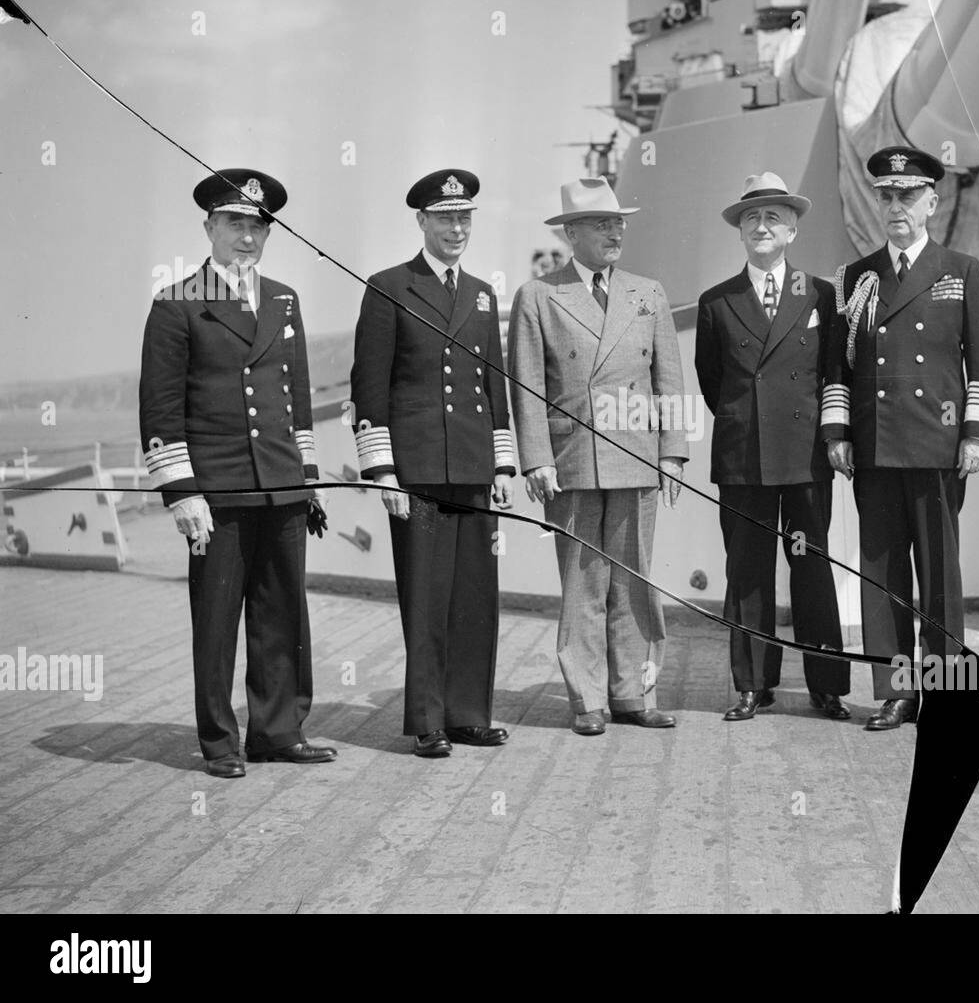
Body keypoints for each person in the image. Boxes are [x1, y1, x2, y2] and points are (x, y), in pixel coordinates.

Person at [139, 168, 336, 778]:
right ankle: (220, 741)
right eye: (235, 224)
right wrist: (181, 491)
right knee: (219, 619)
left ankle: (278, 731)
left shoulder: (283, 298)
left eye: (258, 227)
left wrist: (306, 476)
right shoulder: (177, 302)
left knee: (282, 611)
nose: (247, 238)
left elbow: (296, 397)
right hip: (217, 488)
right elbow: (160, 407)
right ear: (209, 227)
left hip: (279, 480)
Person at [821, 147, 979, 730]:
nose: (896, 207)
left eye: (907, 196)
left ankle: (943, 690)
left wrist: (976, 435)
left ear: (931, 202)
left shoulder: (961, 271)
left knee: (941, 576)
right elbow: (838, 370)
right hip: (875, 448)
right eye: (886, 197)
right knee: (884, 573)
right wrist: (838, 433)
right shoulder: (855, 277)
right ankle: (900, 692)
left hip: (938, 444)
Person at [508, 177, 687, 736]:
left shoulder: (647, 292)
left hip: (637, 456)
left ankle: (631, 693)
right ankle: (588, 699)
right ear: (571, 233)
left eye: (619, 222)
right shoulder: (539, 295)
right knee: (584, 584)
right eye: (603, 223)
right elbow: (527, 383)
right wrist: (536, 459)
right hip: (573, 461)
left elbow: (669, 379)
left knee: (632, 579)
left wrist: (675, 453)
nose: (616, 231)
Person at [349, 169, 515, 759]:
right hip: (416, 472)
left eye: (464, 217)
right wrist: (382, 471)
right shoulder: (390, 286)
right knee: (425, 595)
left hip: (471, 467)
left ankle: (469, 713)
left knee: (476, 594)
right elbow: (370, 386)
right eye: (445, 218)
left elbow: (494, 381)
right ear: (422, 221)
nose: (456, 228)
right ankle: (428, 720)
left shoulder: (481, 294)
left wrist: (501, 466)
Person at [695, 173, 850, 722]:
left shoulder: (822, 295)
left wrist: (831, 436)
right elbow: (714, 382)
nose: (761, 227)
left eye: (773, 218)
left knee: (811, 566)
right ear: (740, 231)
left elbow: (833, 370)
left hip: (805, 455)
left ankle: (826, 684)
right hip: (743, 456)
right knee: (748, 569)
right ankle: (752, 684)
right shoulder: (717, 302)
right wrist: (747, 425)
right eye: (751, 218)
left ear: (792, 231)